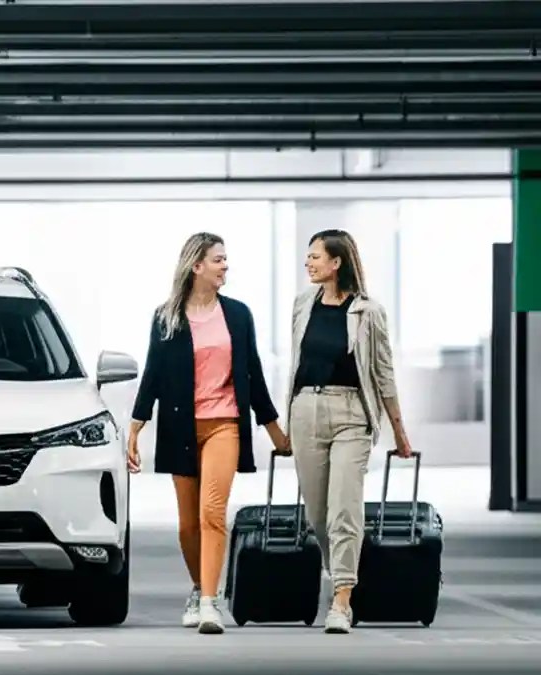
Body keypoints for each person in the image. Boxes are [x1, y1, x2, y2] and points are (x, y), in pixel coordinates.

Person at [127, 232, 290, 635]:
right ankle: (200, 586)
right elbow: (153, 376)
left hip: (224, 424)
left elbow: (252, 373)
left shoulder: (237, 315)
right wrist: (134, 428)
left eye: (226, 259)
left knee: (211, 514)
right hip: (180, 426)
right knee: (187, 525)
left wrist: (275, 432)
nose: (225, 267)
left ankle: (210, 603)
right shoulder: (167, 316)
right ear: (196, 265)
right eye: (218, 260)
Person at [285, 229, 413, 634]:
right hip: (306, 409)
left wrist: (399, 433)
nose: (309, 263)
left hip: (351, 413)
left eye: (316, 257)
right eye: (308, 257)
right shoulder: (302, 305)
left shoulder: (368, 311)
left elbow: (383, 373)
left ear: (337, 262)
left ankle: (342, 598)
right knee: (317, 514)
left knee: (345, 507)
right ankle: (336, 568)